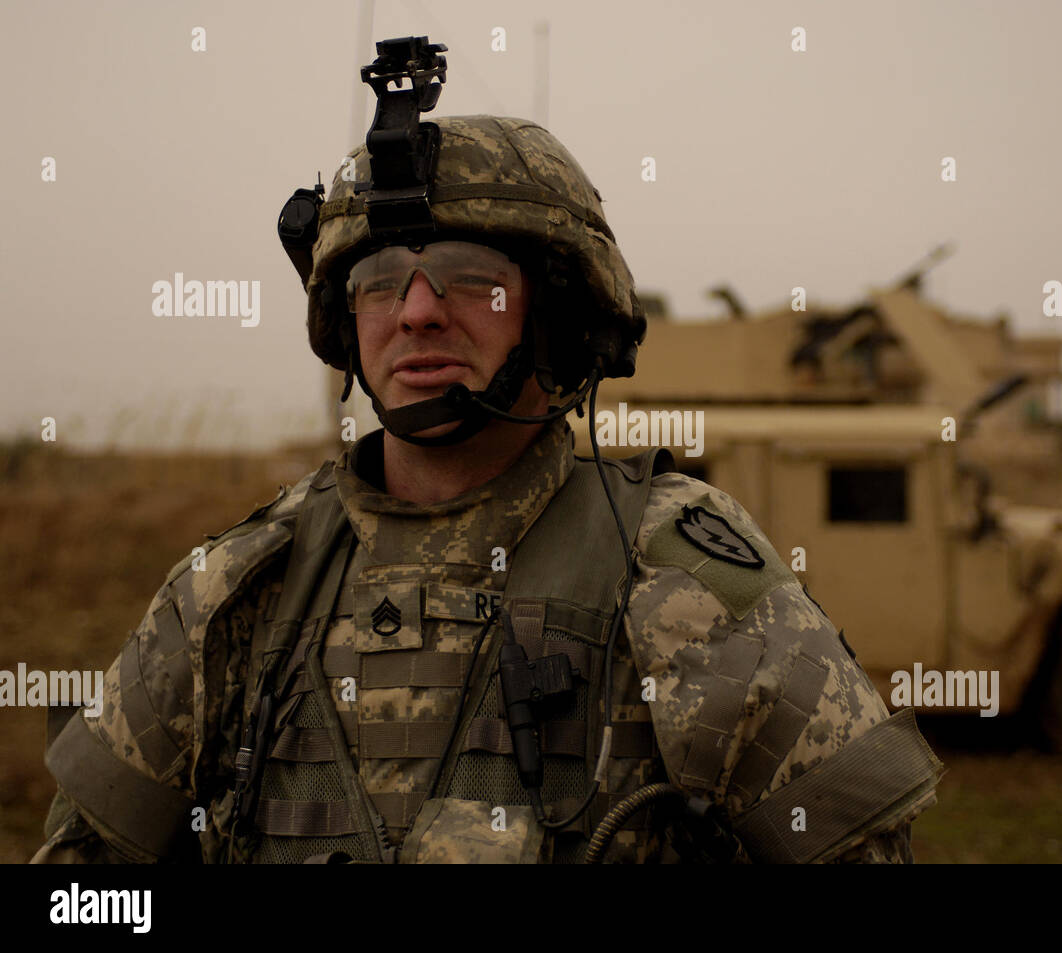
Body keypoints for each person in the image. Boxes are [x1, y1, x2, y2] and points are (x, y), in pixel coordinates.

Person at [33, 37, 942, 864]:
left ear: (558, 317)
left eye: (471, 279)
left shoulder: (686, 574)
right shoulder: (236, 588)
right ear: (347, 327)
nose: (417, 311)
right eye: (380, 283)